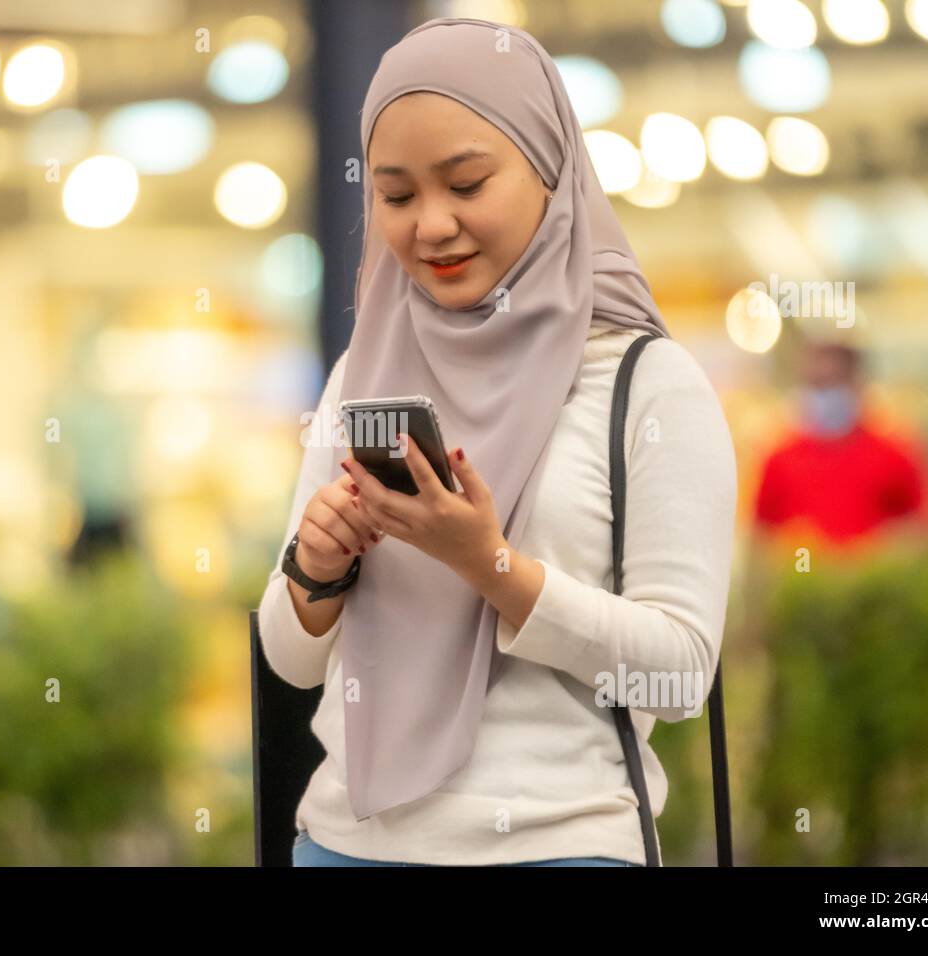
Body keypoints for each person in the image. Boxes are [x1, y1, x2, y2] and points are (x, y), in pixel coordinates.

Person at [256, 17, 737, 867]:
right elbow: (292, 663)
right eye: (397, 196)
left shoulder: (643, 384)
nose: (431, 226)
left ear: (551, 170)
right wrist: (314, 568)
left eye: (467, 183)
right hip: (344, 844)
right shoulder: (360, 378)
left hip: (561, 847)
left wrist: (492, 566)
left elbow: (682, 672)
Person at [753, 337, 928, 549]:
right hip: (804, 577)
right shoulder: (779, 461)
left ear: (857, 383)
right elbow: (761, 536)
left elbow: (925, 527)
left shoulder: (896, 454)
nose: (825, 395)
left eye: (835, 382)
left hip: (875, 579)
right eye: (818, 384)